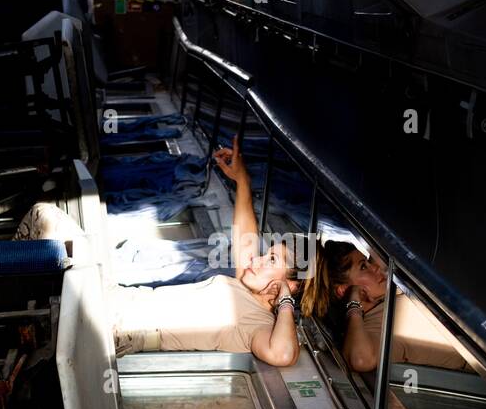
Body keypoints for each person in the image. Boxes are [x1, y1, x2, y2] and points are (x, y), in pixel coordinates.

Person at [16, 136, 304, 366]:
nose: (259, 258)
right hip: (116, 298)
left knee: (45, 218)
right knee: (44, 217)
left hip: (119, 326)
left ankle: (3, 293)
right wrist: (242, 181)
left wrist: (286, 300)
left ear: (289, 283)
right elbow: (246, 235)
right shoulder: (246, 284)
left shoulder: (259, 324)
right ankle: (8, 291)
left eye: (273, 259)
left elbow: (282, 354)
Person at [301, 239, 478, 374]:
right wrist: (353, 303)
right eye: (364, 267)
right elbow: (360, 359)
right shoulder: (379, 326)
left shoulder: (385, 294)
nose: (376, 269)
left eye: (368, 262)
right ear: (344, 290)